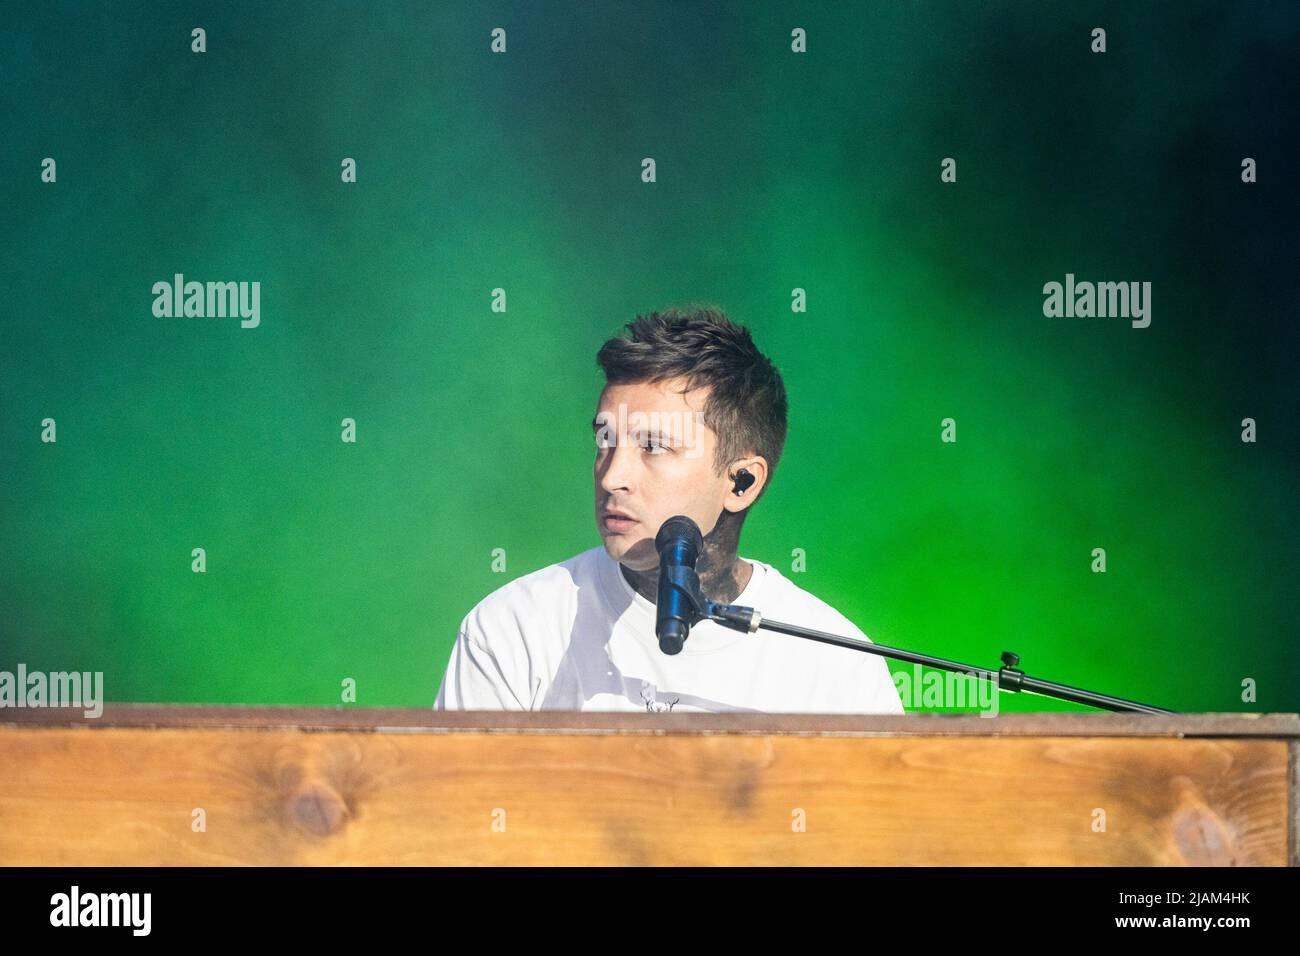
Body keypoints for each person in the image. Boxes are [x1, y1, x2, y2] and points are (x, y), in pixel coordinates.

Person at [434, 305, 905, 713]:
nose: (612, 475)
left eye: (654, 445)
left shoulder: (838, 663)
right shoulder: (512, 629)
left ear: (741, 482)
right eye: (605, 439)